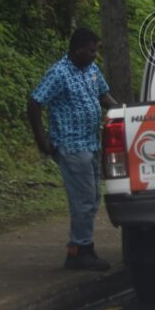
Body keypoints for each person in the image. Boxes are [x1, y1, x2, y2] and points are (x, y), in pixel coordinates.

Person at [28, 28, 118, 271]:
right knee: (83, 200)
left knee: (92, 197)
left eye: (96, 49)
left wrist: (123, 112)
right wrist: (41, 137)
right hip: (71, 145)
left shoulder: (91, 70)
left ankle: (82, 247)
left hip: (91, 143)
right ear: (77, 49)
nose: (95, 54)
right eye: (91, 50)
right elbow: (35, 101)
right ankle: (79, 250)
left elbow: (103, 96)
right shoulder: (59, 72)